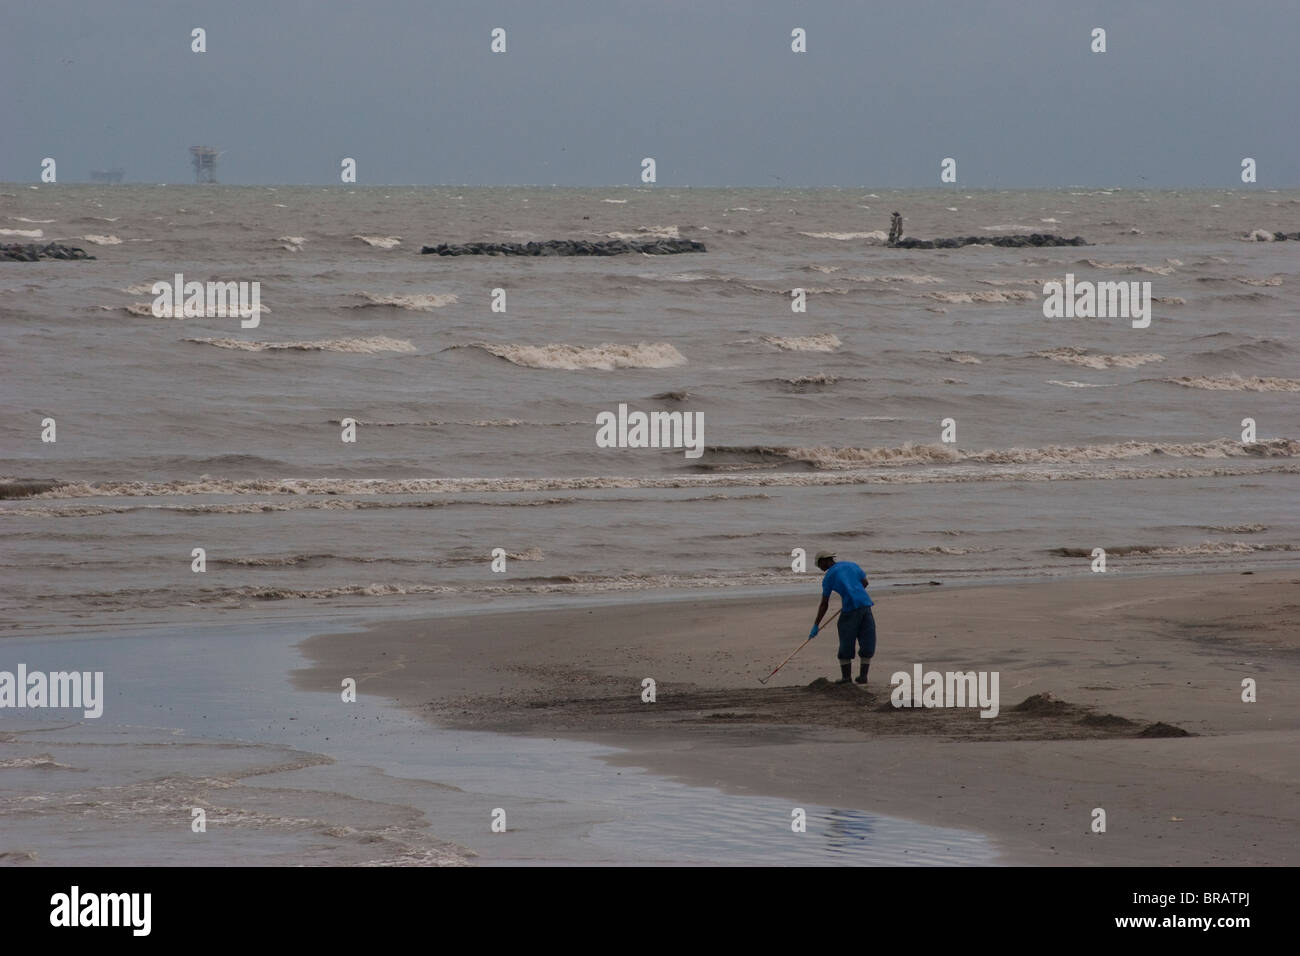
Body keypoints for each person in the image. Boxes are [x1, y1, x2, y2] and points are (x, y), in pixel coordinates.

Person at [809, 550, 876, 685]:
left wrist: (816, 624)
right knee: (867, 640)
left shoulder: (829, 576)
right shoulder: (852, 565)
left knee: (846, 640)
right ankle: (863, 676)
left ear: (825, 560)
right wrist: (854, 593)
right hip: (865, 606)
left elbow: (824, 604)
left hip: (850, 610)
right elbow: (865, 583)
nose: (820, 568)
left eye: (819, 565)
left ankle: (846, 678)